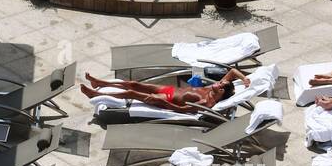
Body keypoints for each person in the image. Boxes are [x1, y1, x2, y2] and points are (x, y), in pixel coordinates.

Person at [80, 67, 250, 115]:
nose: (218, 82)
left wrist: (164, 103)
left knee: (132, 94)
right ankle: (98, 82)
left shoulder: (208, 102)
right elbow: (232, 72)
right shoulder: (217, 88)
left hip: (167, 99)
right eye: (220, 82)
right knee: (134, 84)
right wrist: (244, 79)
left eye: (220, 85)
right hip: (170, 90)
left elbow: (183, 109)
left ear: (221, 93)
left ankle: (96, 94)